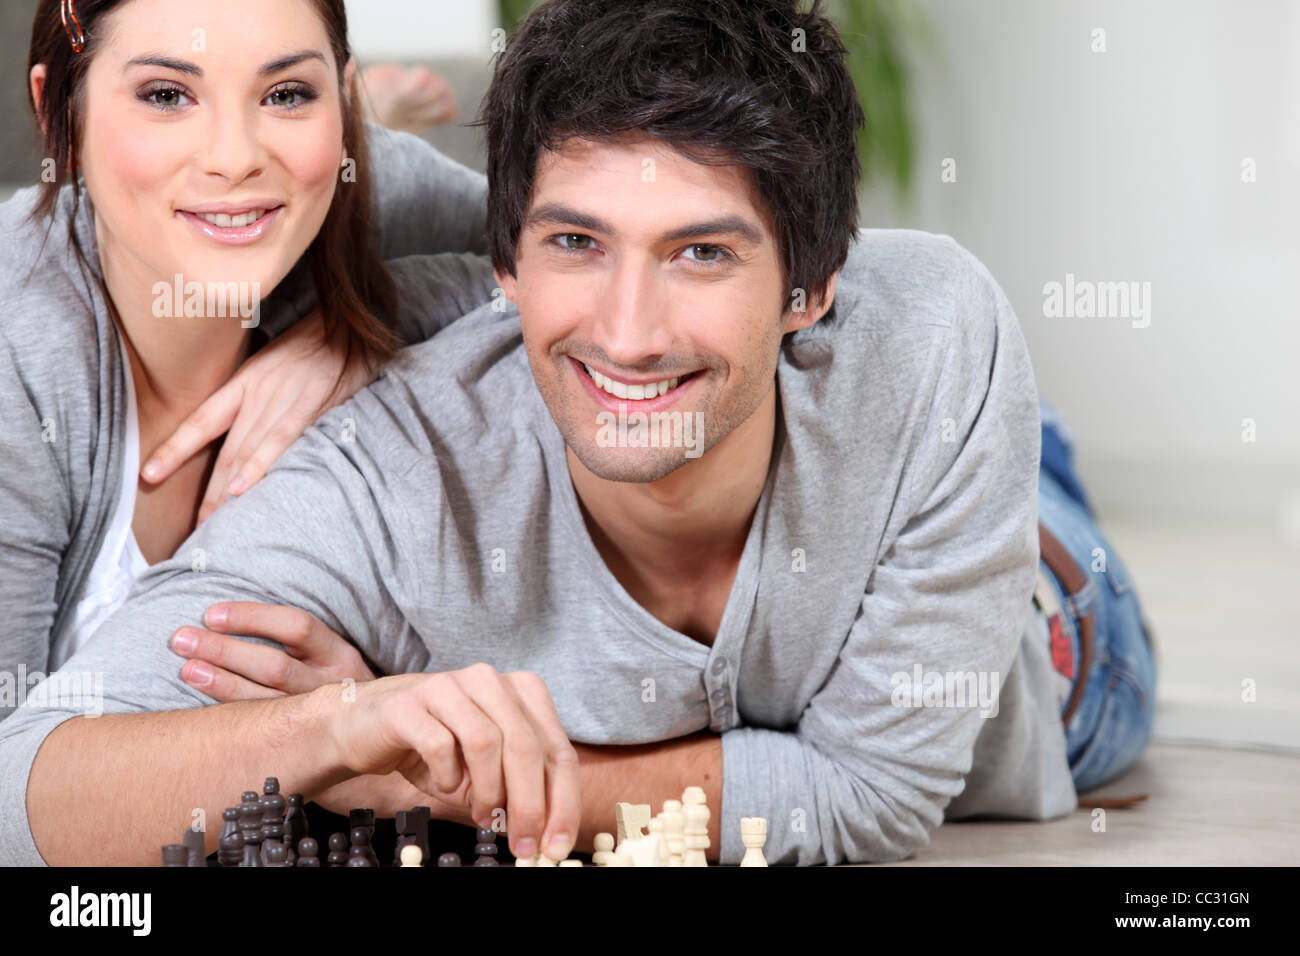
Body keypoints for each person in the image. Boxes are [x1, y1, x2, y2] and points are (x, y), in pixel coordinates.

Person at [0, 0, 1156, 866]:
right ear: (509, 268)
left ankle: (1012, 451)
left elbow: (870, 796)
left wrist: (428, 789)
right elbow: (24, 781)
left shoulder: (928, 330)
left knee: (934, 428)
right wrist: (335, 727)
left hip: (1037, 623)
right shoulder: (377, 465)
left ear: (812, 285)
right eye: (574, 247)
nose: (631, 324)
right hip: (706, 392)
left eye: (701, 250)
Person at [0, 0, 493, 693]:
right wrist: (315, 732)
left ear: (345, 102)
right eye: (167, 95)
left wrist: (353, 336)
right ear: (59, 110)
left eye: (287, 95)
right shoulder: (18, 347)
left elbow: (585, 259)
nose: (236, 160)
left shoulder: (362, 183)